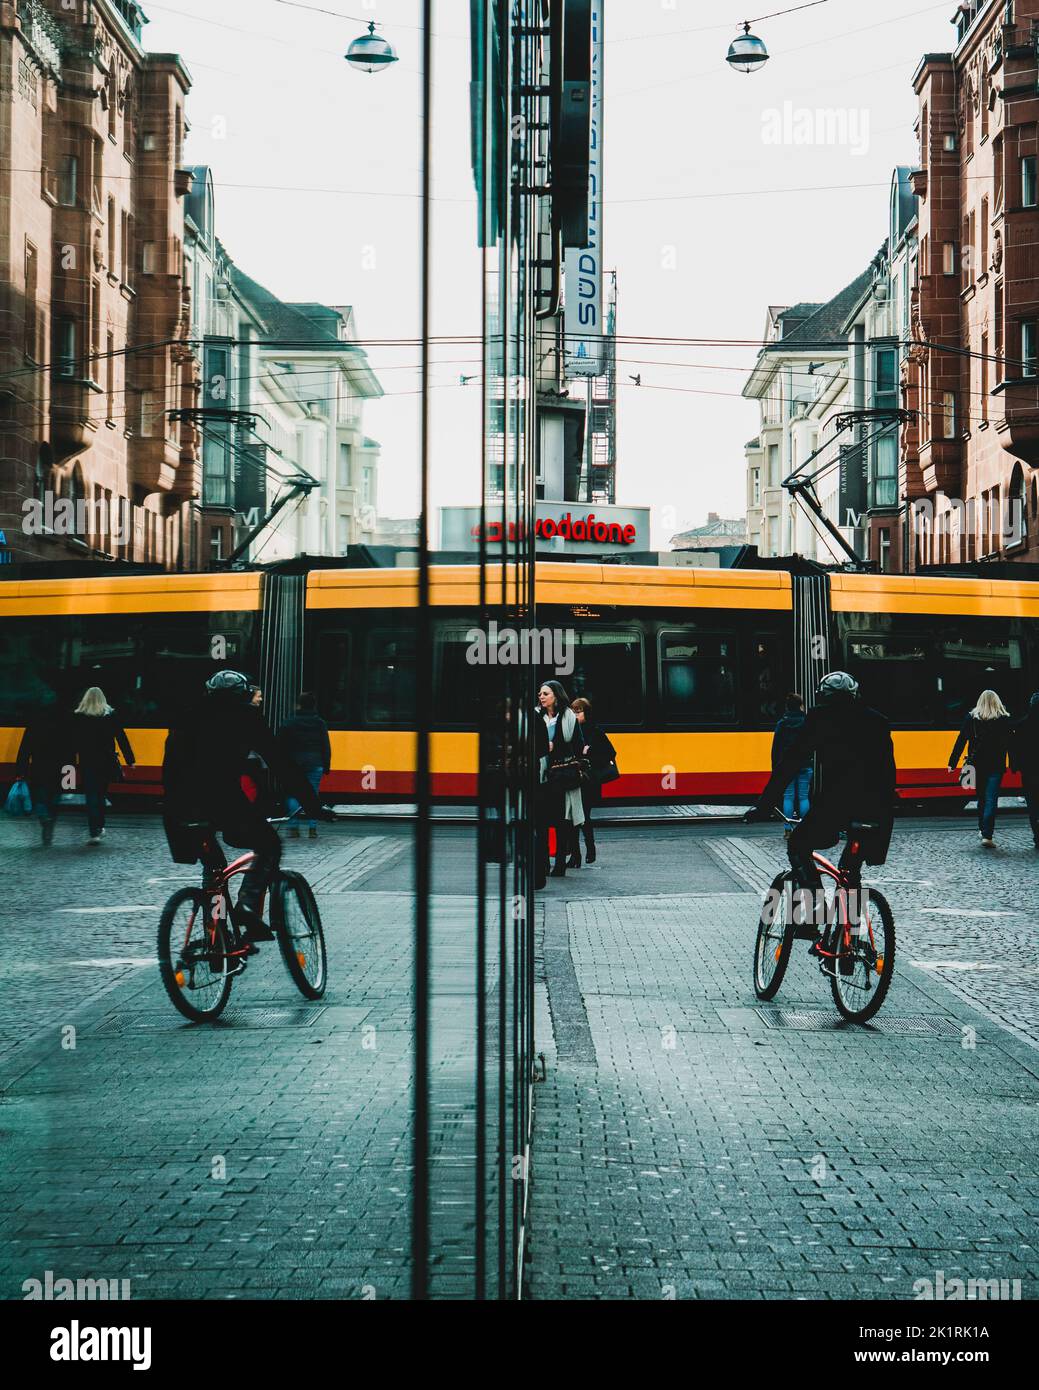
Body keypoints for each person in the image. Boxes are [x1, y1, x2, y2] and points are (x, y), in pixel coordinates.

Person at [161, 670, 326, 940]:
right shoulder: (245, 717)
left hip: (178, 808)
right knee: (269, 845)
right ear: (243, 695)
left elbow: (169, 768)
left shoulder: (186, 716)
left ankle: (215, 936)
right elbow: (282, 765)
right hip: (222, 801)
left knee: (214, 869)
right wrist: (313, 806)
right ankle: (248, 904)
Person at [745, 672, 896, 935]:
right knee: (851, 873)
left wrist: (764, 805)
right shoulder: (878, 721)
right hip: (876, 811)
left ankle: (813, 917)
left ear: (823, 696)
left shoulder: (820, 718)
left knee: (798, 845)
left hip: (836, 807)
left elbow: (791, 762)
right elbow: (888, 772)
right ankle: (850, 938)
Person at [948, 689, 1013, 847]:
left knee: (981, 799)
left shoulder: (971, 718)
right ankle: (987, 835)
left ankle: (982, 829)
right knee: (991, 800)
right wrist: (1014, 763)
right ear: (997, 702)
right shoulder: (1004, 720)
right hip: (996, 766)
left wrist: (952, 762)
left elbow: (961, 740)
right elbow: (1010, 744)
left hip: (977, 766)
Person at [71, 687, 135, 845]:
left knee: (91, 795)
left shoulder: (79, 717)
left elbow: (72, 741)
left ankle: (94, 831)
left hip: (87, 761)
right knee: (101, 794)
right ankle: (100, 825)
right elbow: (121, 737)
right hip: (106, 761)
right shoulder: (110, 716)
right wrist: (130, 759)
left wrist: (69, 760)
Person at [536, 680, 585, 879]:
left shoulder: (568, 717)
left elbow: (578, 745)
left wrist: (554, 747)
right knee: (541, 820)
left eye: (545, 693)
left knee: (561, 820)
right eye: (540, 693)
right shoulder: (536, 716)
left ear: (556, 695)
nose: (541, 696)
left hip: (560, 774)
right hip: (540, 773)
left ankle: (559, 864)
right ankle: (542, 863)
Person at [14, 692, 72, 847]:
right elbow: (71, 750)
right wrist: (70, 773)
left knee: (39, 797)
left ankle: (44, 817)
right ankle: (49, 826)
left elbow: (24, 749)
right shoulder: (65, 723)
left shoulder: (35, 722)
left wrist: (20, 771)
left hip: (39, 767)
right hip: (59, 768)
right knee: (55, 799)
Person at [568, 696, 616, 867]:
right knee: (572, 818)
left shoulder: (595, 732)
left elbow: (611, 753)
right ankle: (575, 855)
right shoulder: (570, 731)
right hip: (572, 779)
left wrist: (589, 752)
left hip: (588, 781)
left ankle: (590, 849)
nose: (575, 715)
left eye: (579, 712)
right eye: (573, 712)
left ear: (586, 713)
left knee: (584, 817)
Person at [277, 693, 331, 839]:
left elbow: (280, 745)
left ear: (299, 705)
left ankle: (293, 828)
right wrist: (326, 765)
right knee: (313, 795)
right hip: (315, 763)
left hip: (294, 764)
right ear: (314, 705)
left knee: (293, 795)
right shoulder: (320, 723)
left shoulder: (289, 722)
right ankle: (312, 829)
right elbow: (325, 746)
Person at [771, 693, 813, 835]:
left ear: (787, 707)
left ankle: (788, 830)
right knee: (803, 797)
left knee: (788, 797)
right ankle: (805, 829)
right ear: (801, 705)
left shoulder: (782, 723)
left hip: (786, 766)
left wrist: (775, 766)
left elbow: (776, 748)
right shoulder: (807, 722)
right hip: (804, 764)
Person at [1012, 691, 1039, 848]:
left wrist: (1015, 766)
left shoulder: (1021, 725)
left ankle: (1037, 836)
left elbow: (1015, 749)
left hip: (1029, 772)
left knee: (1033, 805)